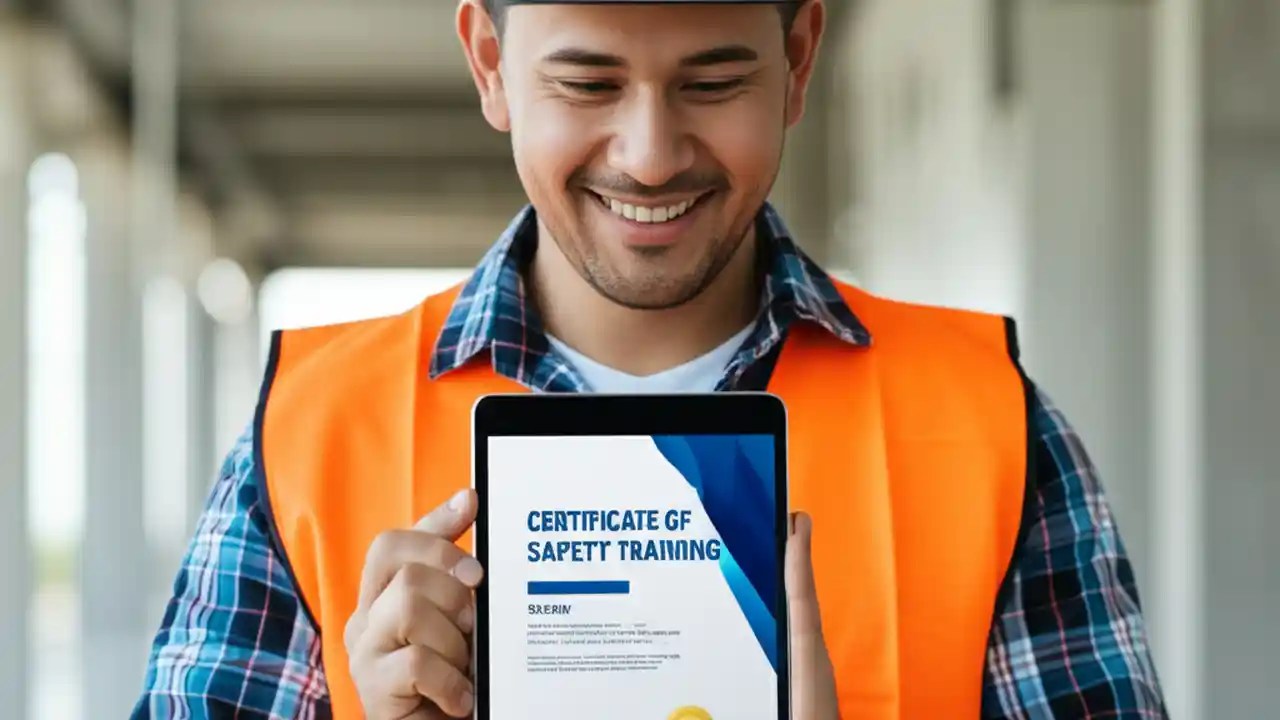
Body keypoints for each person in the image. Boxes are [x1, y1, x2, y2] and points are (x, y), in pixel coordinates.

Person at [132, 1, 1168, 718]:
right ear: (489, 65)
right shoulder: (309, 432)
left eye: (711, 81)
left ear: (799, 60)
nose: (650, 153)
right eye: (586, 83)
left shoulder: (984, 422)